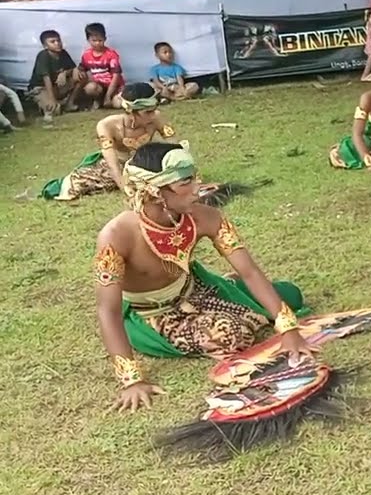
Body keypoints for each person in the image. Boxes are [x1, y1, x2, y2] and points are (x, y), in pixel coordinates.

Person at [92, 142, 316, 411]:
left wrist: (289, 329)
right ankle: (231, 304)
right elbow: (108, 311)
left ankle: (229, 289)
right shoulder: (116, 236)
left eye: (194, 177)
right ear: (154, 191)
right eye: (184, 182)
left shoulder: (205, 217)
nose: (197, 188)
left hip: (196, 289)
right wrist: (132, 380)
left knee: (289, 295)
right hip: (150, 314)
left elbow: (249, 270)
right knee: (232, 335)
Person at [41, 83, 177, 201]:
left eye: (154, 110)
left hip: (144, 163)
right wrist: (125, 189)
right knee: (81, 183)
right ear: (130, 111)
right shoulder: (106, 125)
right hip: (117, 165)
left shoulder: (156, 117)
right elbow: (112, 164)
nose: (153, 115)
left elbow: (174, 147)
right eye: (148, 112)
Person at [28, 29, 85, 122]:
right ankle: (51, 103)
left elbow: (73, 68)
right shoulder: (43, 56)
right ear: (45, 46)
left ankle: (69, 104)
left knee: (81, 75)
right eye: (52, 42)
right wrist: (51, 99)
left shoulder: (63, 53)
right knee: (54, 110)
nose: (57, 43)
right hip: (41, 88)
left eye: (58, 40)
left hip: (57, 86)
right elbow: (46, 78)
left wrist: (65, 73)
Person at [80, 23, 124, 109]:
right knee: (90, 88)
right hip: (99, 87)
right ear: (88, 40)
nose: (97, 43)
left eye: (100, 40)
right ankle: (98, 100)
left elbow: (116, 76)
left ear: (105, 39)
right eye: (94, 40)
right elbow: (81, 68)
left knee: (117, 105)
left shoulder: (111, 54)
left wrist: (108, 95)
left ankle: (108, 98)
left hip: (114, 86)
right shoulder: (86, 54)